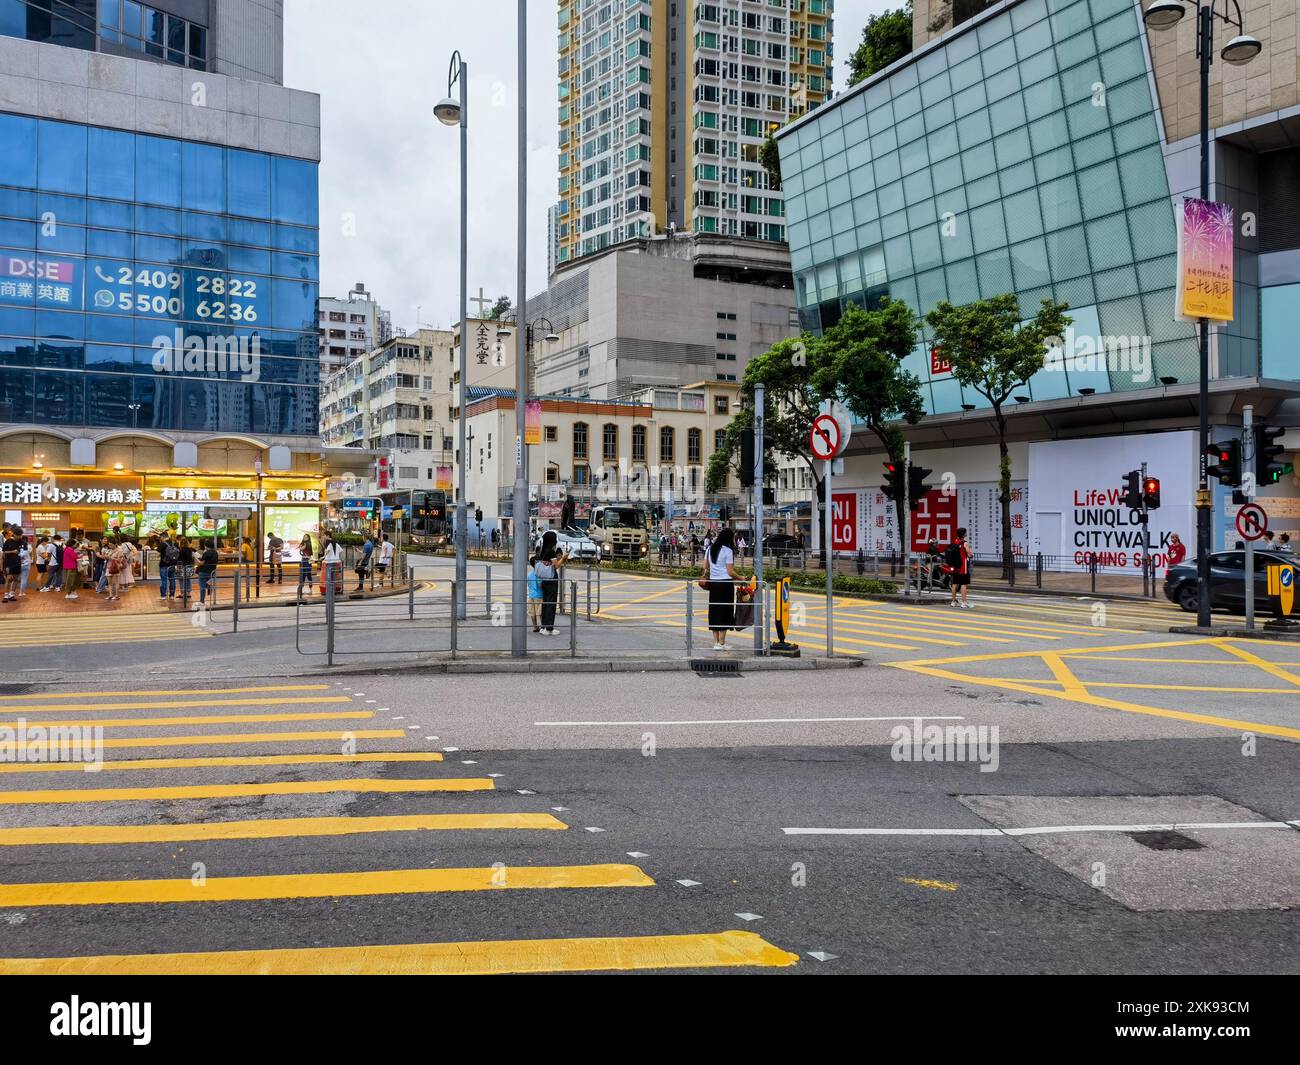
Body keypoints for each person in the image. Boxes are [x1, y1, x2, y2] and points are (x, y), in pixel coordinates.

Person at [706, 528, 743, 651]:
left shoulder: (710, 549)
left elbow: (705, 567)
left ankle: (716, 642)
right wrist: (741, 578)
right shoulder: (727, 551)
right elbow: (730, 571)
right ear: (729, 538)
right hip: (725, 584)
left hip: (713, 584)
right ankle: (722, 643)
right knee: (725, 611)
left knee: (715, 611)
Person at [534, 530, 569, 636]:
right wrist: (563, 558)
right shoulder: (551, 551)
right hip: (551, 580)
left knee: (545, 603)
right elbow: (556, 566)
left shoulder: (542, 551)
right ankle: (549, 628)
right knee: (551, 603)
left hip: (544, 580)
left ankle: (543, 626)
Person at [945, 528, 972, 609]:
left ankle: (953, 602)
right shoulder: (965, 543)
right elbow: (969, 554)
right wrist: (970, 553)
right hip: (963, 566)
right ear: (964, 534)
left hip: (955, 566)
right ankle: (964, 602)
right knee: (963, 584)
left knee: (954, 584)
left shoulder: (955, 542)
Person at [197, 538, 220, 605]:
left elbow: (201, 563)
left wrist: (195, 558)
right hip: (212, 572)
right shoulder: (215, 553)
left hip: (203, 571)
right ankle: (209, 587)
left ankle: (202, 601)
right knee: (208, 583)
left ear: (206, 546)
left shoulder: (206, 553)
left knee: (202, 587)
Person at [1, 527, 21, 602]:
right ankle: (6, 596)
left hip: (18, 563)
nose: (19, 537)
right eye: (18, 535)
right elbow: (4, 552)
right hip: (9, 563)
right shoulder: (8, 541)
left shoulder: (21, 541)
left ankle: (11, 595)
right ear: (14, 534)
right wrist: (12, 551)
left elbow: (23, 550)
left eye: (20, 535)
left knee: (16, 579)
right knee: (8, 579)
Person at [158, 534, 179, 600]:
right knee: (172, 579)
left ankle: (163, 596)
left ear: (163, 537)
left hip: (164, 564)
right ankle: (172, 595)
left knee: (164, 580)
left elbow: (158, 551)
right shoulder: (175, 543)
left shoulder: (162, 544)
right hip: (173, 564)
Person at [527, 551, 543, 633]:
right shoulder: (539, 574)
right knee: (539, 612)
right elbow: (540, 585)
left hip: (531, 595)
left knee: (532, 612)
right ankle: (543, 627)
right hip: (539, 595)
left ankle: (535, 627)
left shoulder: (530, 574)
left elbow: (529, 584)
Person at [176, 537, 195, 603]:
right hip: (189, 566)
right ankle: (189, 593)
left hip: (182, 566)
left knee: (181, 579)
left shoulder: (181, 550)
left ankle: (182, 593)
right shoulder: (190, 550)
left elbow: (179, 559)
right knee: (188, 579)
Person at [296, 533, 314, 600]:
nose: (305, 537)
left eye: (306, 537)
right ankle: (301, 589)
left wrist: (302, 545)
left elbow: (302, 548)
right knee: (303, 575)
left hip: (308, 560)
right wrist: (301, 546)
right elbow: (300, 549)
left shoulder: (308, 544)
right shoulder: (303, 543)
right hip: (303, 560)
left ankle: (310, 589)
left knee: (308, 575)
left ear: (308, 538)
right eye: (304, 536)